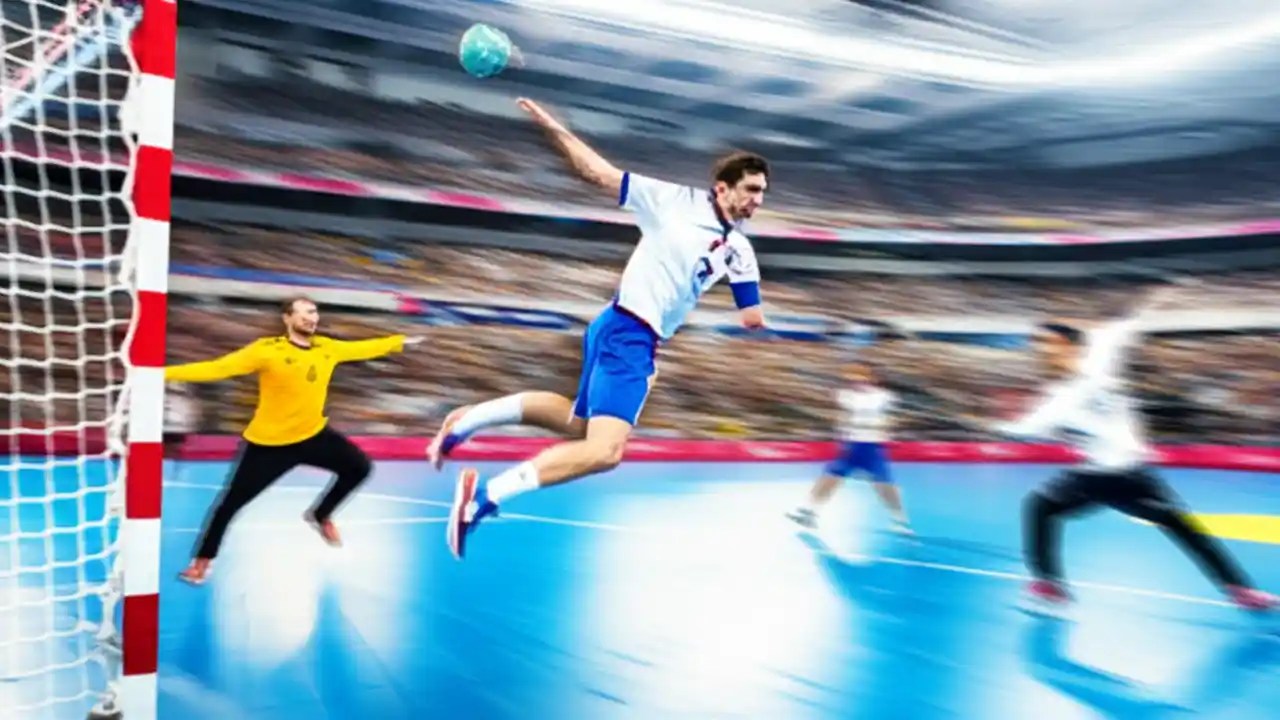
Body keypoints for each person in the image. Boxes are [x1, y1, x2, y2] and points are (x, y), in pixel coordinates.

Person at [430, 97, 770, 559]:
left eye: (762, 192)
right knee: (604, 452)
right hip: (628, 330)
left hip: (626, 332)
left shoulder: (741, 250)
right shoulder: (674, 201)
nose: (757, 200)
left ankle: (469, 420)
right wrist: (554, 126)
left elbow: (751, 315)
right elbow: (599, 173)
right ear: (722, 189)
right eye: (750, 189)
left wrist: (752, 312)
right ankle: (483, 500)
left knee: (578, 424)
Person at [969, 285, 1275, 612]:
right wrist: (994, 428)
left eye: (1047, 342)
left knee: (1185, 530)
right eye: (1036, 344)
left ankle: (1239, 589)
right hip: (1090, 478)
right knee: (1038, 506)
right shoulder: (1055, 400)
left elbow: (1118, 329)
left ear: (1072, 346)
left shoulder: (1099, 361)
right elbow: (1025, 430)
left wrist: (1157, 298)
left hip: (1131, 478)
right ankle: (1048, 584)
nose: (1040, 350)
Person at [164, 297, 422, 584]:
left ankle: (321, 515)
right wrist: (163, 374)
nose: (311, 318)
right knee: (229, 505)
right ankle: (201, 563)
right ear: (287, 318)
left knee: (360, 467)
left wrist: (399, 341)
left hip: (314, 435)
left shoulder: (326, 348)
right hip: (269, 445)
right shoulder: (266, 351)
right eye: (304, 313)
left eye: (314, 312)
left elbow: (363, 348)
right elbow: (217, 368)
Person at [787, 361, 912, 534]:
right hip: (851, 447)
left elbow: (890, 417)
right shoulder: (845, 395)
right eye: (852, 378)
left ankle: (900, 520)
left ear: (870, 379)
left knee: (884, 485)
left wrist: (884, 430)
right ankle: (810, 513)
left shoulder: (884, 396)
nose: (856, 382)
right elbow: (844, 417)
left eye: (860, 378)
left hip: (872, 447)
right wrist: (842, 435)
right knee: (829, 478)